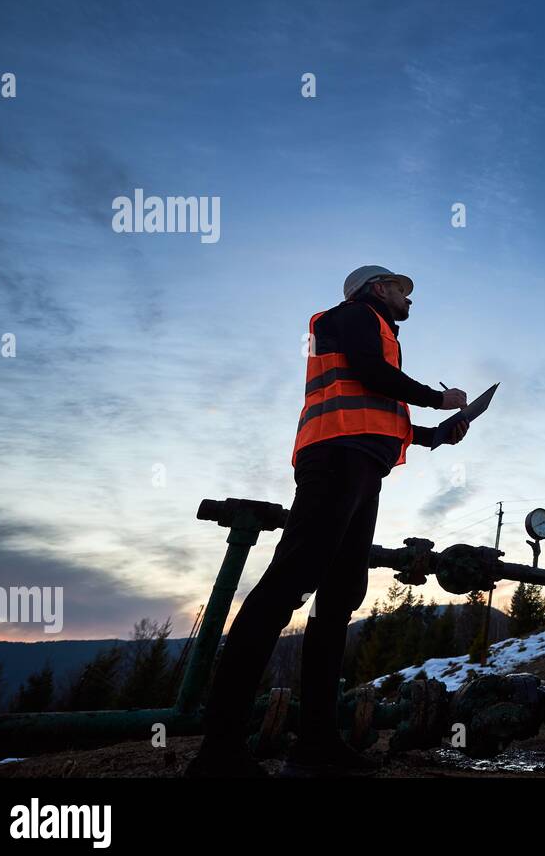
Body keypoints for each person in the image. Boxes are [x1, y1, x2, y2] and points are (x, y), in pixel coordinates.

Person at [185, 265, 469, 777]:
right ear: (379, 288)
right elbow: (368, 375)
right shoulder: (353, 316)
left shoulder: (374, 331)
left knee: (338, 597)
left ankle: (316, 742)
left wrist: (436, 434)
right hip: (337, 459)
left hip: (360, 461)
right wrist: (437, 396)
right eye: (403, 291)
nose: (410, 300)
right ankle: (220, 751)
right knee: (287, 585)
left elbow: (378, 404)